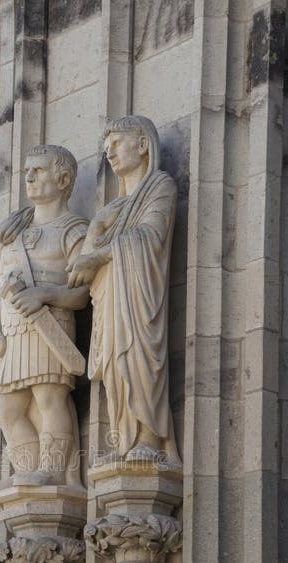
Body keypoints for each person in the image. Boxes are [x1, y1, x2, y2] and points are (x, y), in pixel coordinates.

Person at [67, 115, 181, 466]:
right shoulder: (112, 209)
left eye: (116, 143)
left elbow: (150, 235)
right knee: (116, 365)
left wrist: (100, 253)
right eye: (106, 148)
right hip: (112, 299)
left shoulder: (160, 186)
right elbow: (85, 267)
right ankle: (125, 440)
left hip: (140, 297)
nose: (110, 153)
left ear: (143, 144)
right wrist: (97, 227)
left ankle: (148, 438)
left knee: (138, 361)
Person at [0, 144, 89, 486]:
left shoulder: (74, 230)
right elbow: (0, 285)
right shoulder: (13, 232)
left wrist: (45, 294)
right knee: (3, 405)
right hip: (13, 329)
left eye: (38, 170)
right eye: (27, 170)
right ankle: (29, 472)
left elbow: (83, 293)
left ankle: (53, 473)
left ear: (63, 178)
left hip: (50, 325)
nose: (28, 177)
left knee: (49, 396)